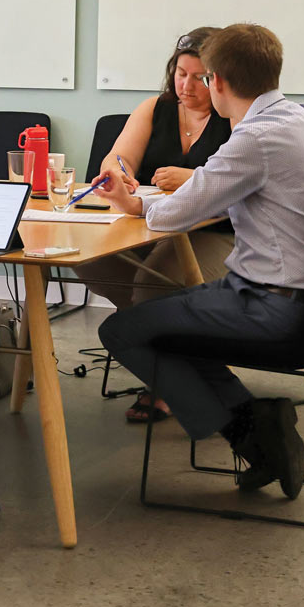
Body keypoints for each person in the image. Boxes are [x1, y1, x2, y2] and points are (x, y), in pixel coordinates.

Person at [95, 23, 304, 499]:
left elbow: (176, 213)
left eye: (204, 79)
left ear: (219, 83)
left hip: (270, 304)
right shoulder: (303, 117)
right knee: (168, 328)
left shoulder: (256, 139)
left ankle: (250, 435)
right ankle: (258, 428)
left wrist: (134, 205)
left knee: (121, 331)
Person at [79, 27, 236, 422]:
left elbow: (233, 185)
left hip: (215, 235)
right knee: (89, 261)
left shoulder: (234, 118)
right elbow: (116, 159)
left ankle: (165, 381)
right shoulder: (153, 108)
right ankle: (179, 355)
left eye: (200, 77)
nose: (187, 85)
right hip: (148, 227)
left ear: (219, 78)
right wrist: (119, 174)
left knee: (155, 282)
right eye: (180, 73)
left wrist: (191, 178)